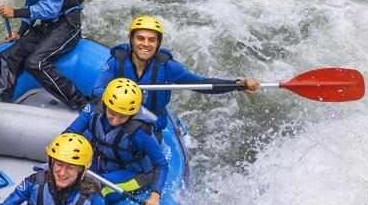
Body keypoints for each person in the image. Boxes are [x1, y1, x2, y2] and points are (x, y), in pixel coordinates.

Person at [91, 15, 261, 132]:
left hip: (149, 123)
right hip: (118, 115)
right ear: (131, 40)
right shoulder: (116, 62)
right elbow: (98, 90)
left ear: (158, 44)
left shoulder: (168, 67)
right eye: (140, 38)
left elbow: (202, 84)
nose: (145, 44)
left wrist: (237, 84)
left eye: (151, 40)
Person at [65, 78, 168, 205]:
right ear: (105, 105)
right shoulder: (92, 110)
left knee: (97, 190)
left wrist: (155, 195)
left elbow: (161, 165)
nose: (115, 121)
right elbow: (70, 133)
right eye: (112, 114)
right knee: (69, 178)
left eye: (122, 117)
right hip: (101, 161)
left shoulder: (141, 131)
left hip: (132, 173)